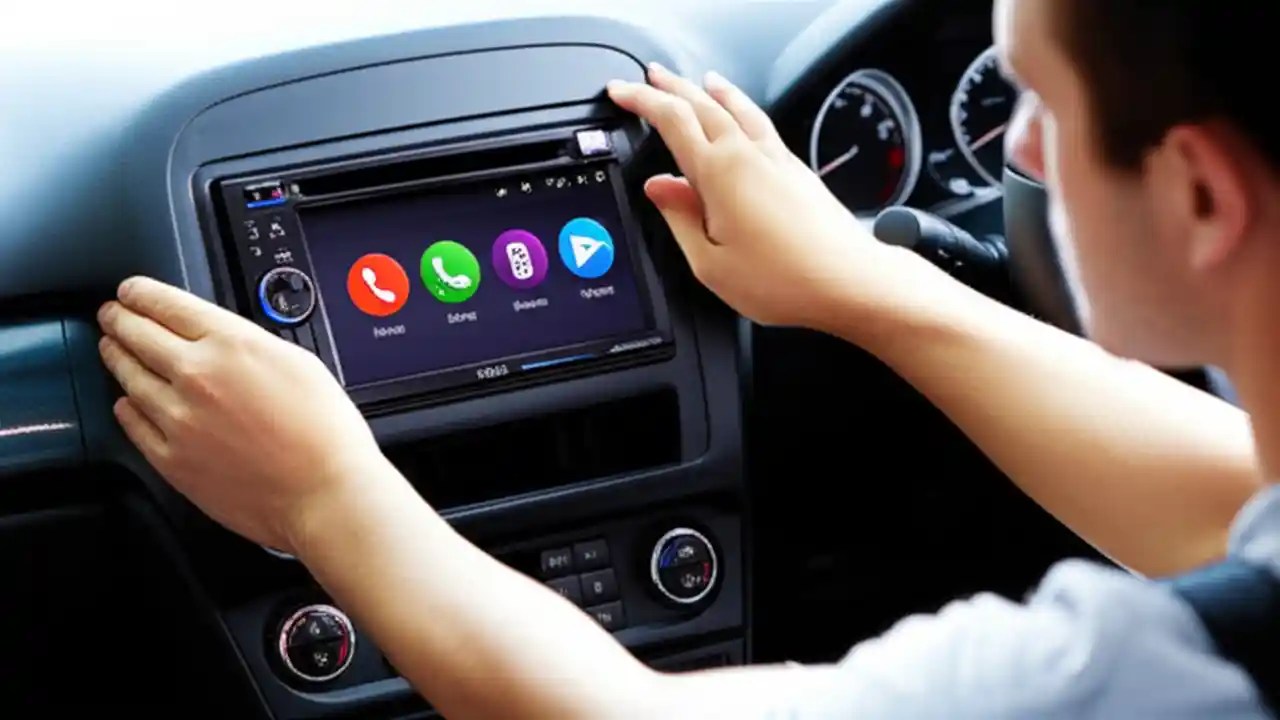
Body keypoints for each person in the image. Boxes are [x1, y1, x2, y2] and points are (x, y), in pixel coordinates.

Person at [93, 0, 1280, 716]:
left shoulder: (1141, 682)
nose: (1014, 146)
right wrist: (860, 281)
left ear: (1196, 193)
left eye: (1037, 99)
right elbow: (1232, 500)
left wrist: (321, 494)